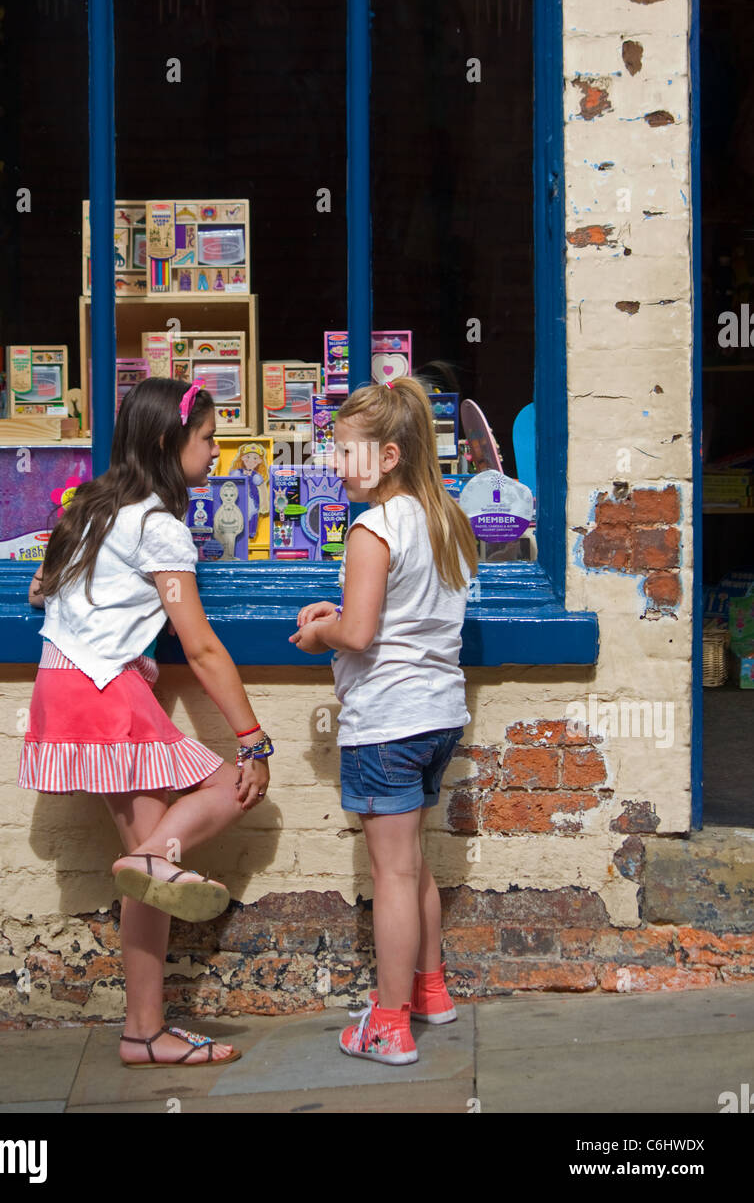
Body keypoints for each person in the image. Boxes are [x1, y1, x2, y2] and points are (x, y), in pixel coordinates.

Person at [20, 377, 273, 1068]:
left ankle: (143, 1033)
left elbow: (42, 586)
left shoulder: (94, 508)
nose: (218, 453)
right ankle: (146, 1028)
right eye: (209, 440)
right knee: (235, 785)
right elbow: (199, 645)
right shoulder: (159, 526)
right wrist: (253, 737)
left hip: (64, 691)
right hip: (107, 696)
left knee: (150, 877)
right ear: (169, 442)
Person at [289, 375, 477, 1066]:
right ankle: (431, 991)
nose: (334, 463)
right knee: (413, 863)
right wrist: (337, 618)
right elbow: (404, 619)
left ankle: (389, 1025)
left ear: (390, 456)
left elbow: (362, 634)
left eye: (345, 450)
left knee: (392, 875)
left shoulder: (373, 528)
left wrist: (321, 632)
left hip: (388, 718)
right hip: (437, 716)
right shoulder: (442, 518)